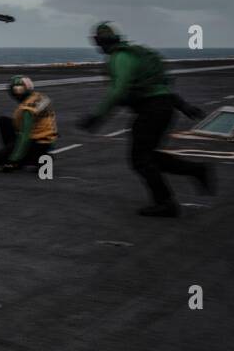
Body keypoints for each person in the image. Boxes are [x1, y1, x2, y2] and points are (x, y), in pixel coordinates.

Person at [77, 21, 215, 217]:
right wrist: (183, 105)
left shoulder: (119, 58)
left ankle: (167, 202)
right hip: (162, 107)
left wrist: (97, 117)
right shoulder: (134, 55)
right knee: (147, 156)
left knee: (140, 159)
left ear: (99, 42)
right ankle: (195, 171)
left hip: (152, 110)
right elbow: (159, 87)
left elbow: (119, 90)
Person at [0, 75, 57, 170]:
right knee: (3, 121)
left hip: (38, 141)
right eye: (16, 89)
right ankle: (31, 155)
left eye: (20, 89)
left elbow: (25, 136)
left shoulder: (27, 109)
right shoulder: (39, 96)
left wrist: (13, 160)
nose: (18, 92)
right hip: (48, 138)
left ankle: (38, 160)